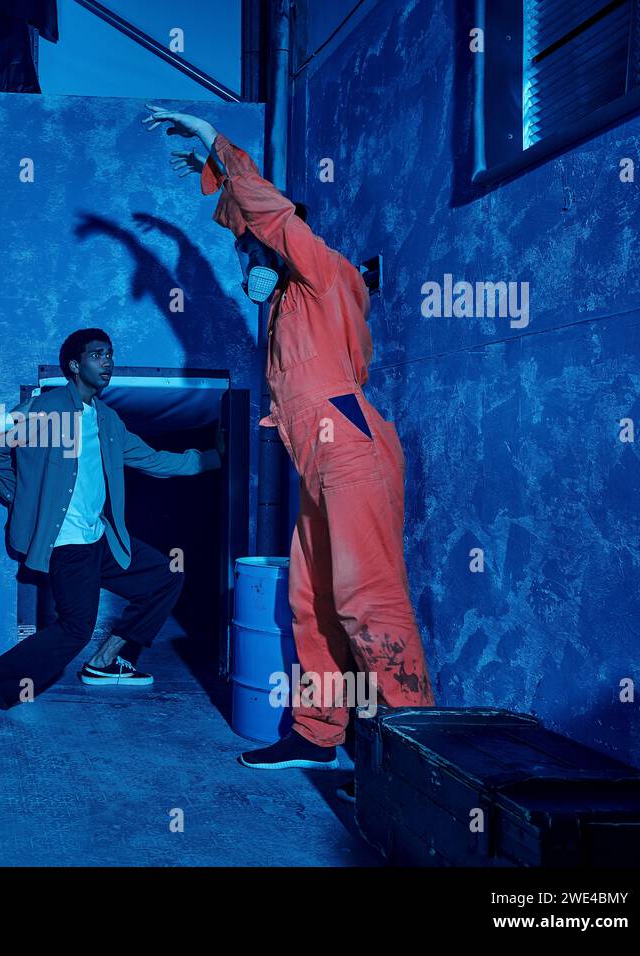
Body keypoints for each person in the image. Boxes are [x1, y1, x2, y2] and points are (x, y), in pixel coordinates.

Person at [143, 103, 435, 792]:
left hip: (352, 449)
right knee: (311, 603)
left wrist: (218, 142)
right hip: (316, 461)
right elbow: (251, 220)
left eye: (248, 247)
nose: (242, 256)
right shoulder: (282, 313)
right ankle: (315, 734)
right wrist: (211, 173)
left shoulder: (326, 274)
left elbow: (272, 217)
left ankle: (424, 761)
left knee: (369, 599)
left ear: (276, 244)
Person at [0, 329, 221, 725]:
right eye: (96, 355)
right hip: (67, 544)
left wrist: (213, 458)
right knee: (75, 629)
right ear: (74, 365)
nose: (106, 362)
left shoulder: (108, 421)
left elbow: (156, 461)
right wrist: (20, 497)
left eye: (109, 354)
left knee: (163, 575)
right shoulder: (45, 409)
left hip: (99, 539)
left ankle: (106, 660)